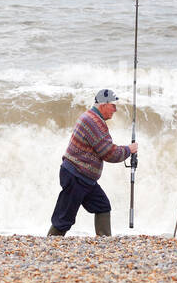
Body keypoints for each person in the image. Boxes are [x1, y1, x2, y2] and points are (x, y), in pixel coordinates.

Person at [48, 88, 138, 236]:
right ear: (103, 104)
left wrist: (127, 150)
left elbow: (106, 150)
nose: (115, 109)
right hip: (76, 175)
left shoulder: (92, 118)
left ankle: (104, 242)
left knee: (102, 206)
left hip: (84, 178)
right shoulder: (94, 122)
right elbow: (109, 153)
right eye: (113, 105)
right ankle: (50, 244)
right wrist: (129, 150)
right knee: (64, 218)